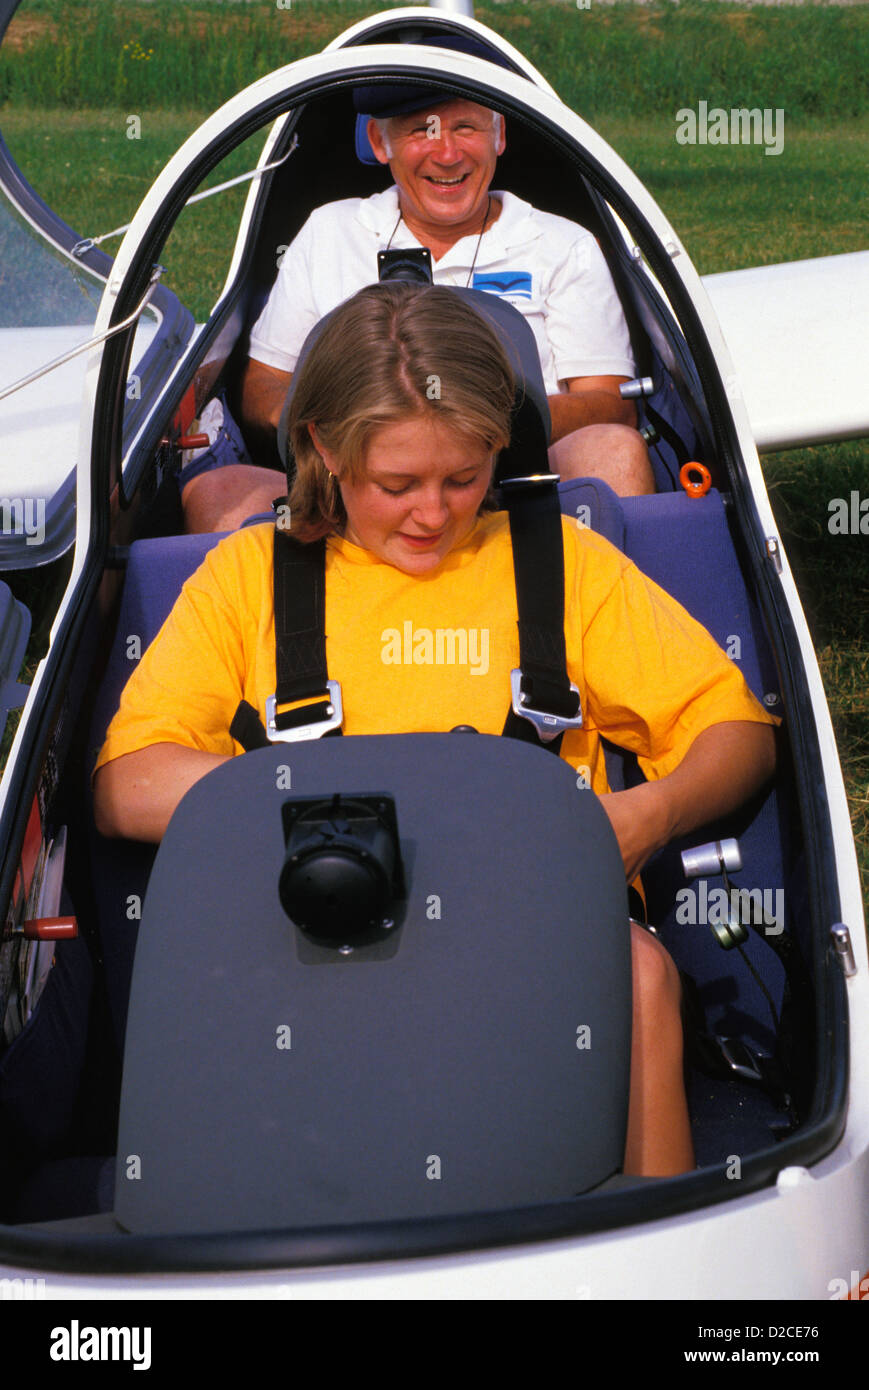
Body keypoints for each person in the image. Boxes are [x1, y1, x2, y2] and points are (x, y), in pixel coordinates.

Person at [95, 284, 777, 1177]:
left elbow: (739, 730)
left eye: (464, 477)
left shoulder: (559, 563)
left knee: (641, 977)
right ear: (322, 450)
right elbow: (123, 786)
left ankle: (657, 1244)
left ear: (500, 447)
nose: (433, 513)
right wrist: (351, 807)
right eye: (397, 484)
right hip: (314, 924)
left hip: (529, 923)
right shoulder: (249, 577)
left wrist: (649, 815)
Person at [183, 67, 654, 533]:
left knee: (615, 450)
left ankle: (609, 603)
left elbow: (610, 405)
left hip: (515, 480)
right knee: (216, 494)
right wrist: (358, 436)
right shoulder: (329, 231)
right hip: (352, 485)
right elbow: (261, 388)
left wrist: (480, 425)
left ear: (500, 134)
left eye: (466, 127)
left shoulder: (563, 244)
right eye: (419, 131)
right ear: (378, 141)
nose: (447, 154)